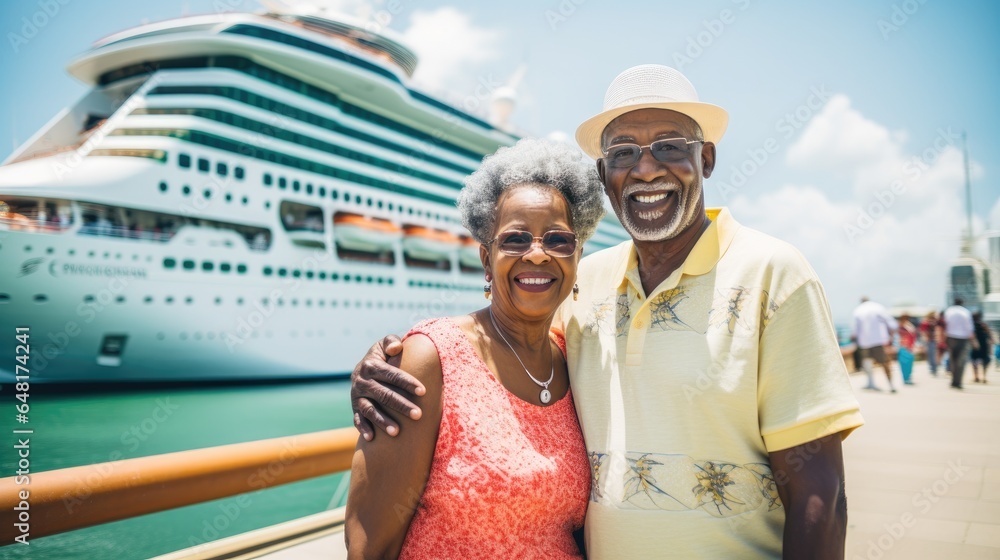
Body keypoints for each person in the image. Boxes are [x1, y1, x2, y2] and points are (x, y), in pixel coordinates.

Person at [350, 65, 863, 559]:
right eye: (622, 153)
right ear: (603, 173)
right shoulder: (584, 285)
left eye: (669, 146)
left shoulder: (774, 274)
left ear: (706, 159)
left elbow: (821, 491)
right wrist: (388, 361)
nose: (645, 168)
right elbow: (485, 350)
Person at [344, 138, 606, 559]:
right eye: (516, 239)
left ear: (577, 258)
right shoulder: (429, 359)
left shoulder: (573, 358)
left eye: (558, 240)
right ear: (487, 260)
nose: (537, 255)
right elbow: (368, 545)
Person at [852, 297, 898, 392]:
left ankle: (871, 383)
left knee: (867, 362)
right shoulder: (878, 307)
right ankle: (891, 385)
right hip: (879, 340)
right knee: (885, 362)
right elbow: (891, 324)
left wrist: (854, 337)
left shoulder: (858, 310)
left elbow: (856, 329)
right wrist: (891, 336)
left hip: (864, 342)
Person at [943, 298, 975, 389]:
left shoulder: (949, 311)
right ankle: (958, 381)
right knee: (961, 361)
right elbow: (969, 327)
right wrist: (972, 339)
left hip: (951, 337)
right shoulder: (965, 312)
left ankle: (953, 381)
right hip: (963, 338)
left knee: (952, 359)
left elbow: (945, 324)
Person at [970, 311, 994, 383]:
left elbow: (970, 335)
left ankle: (976, 377)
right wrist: (991, 341)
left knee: (974, 361)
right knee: (985, 361)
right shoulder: (983, 324)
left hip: (975, 345)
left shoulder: (971, 325)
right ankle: (984, 376)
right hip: (983, 345)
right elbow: (989, 333)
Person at [897, 313, 917, 385]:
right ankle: (906, 379)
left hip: (908, 347)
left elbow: (913, 333)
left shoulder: (908, 326)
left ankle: (908, 378)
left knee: (909, 364)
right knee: (904, 364)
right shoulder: (900, 326)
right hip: (904, 347)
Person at [919, 310, 940, 375]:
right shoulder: (926, 322)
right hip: (930, 340)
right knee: (931, 354)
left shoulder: (935, 321)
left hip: (935, 339)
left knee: (933, 354)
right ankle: (933, 368)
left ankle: (934, 368)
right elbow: (922, 331)